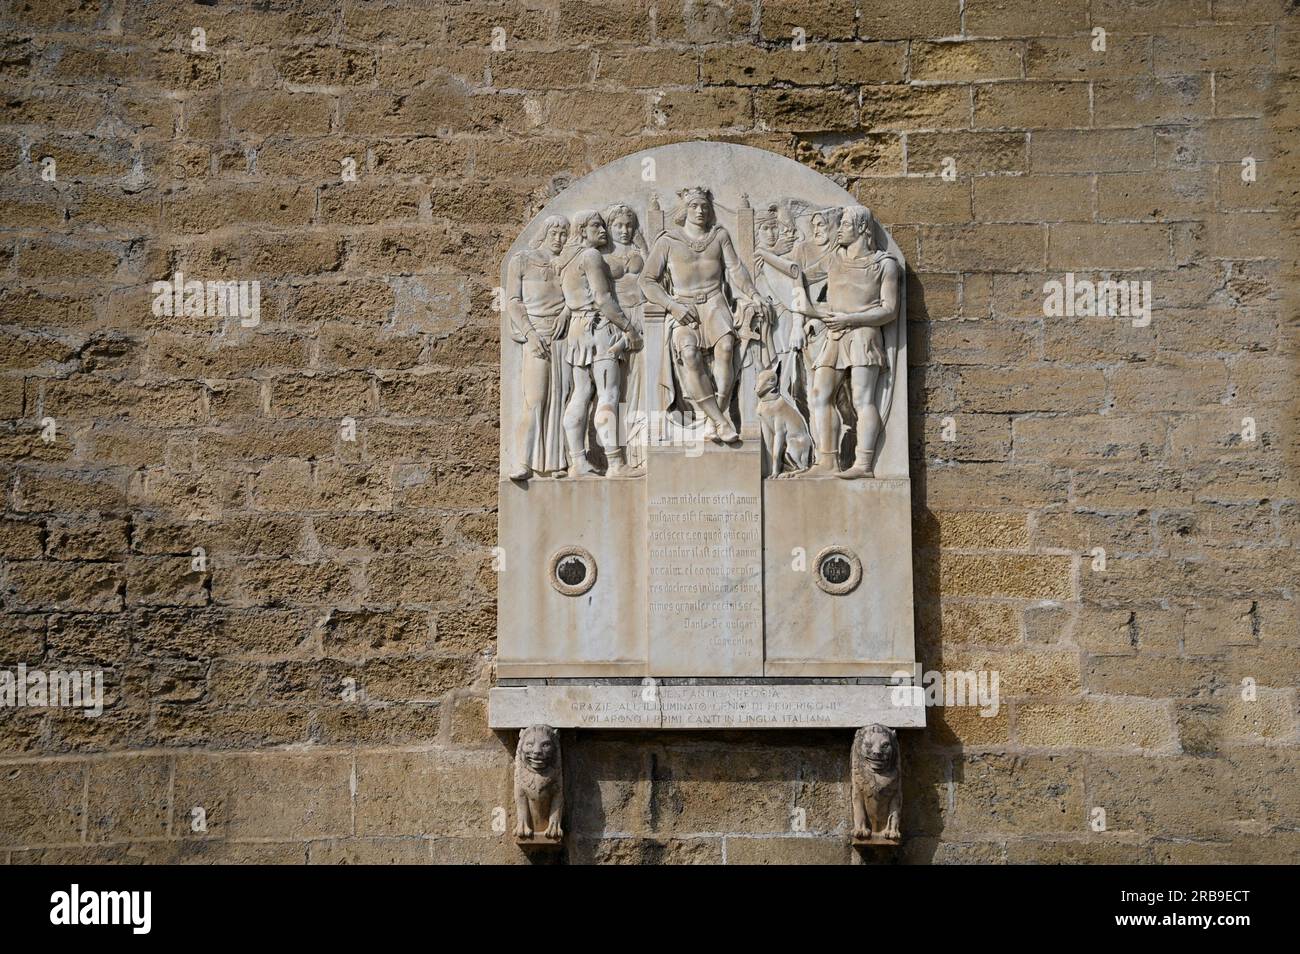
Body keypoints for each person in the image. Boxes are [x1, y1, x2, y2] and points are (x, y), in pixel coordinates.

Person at [639, 186, 761, 445]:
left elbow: (736, 269)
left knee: (726, 348)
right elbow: (647, 281)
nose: (700, 211)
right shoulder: (668, 241)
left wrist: (752, 294)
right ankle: (718, 420)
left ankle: (713, 418)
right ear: (684, 210)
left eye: (704, 206)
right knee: (689, 352)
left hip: (715, 304)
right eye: (694, 206)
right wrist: (673, 306)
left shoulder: (719, 236)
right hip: (685, 307)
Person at [804, 206, 900, 478]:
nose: (840, 229)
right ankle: (827, 461)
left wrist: (851, 319)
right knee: (819, 395)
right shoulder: (834, 258)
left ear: (861, 228)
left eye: (845, 224)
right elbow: (800, 274)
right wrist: (811, 309)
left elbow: (889, 309)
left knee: (862, 398)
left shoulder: (884, 264)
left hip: (862, 334)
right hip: (834, 334)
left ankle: (864, 465)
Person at [557, 210, 642, 477]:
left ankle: (577, 461)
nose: (603, 230)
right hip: (599, 327)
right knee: (609, 394)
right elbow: (602, 298)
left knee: (580, 394)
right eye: (596, 226)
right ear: (582, 229)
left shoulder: (564, 259)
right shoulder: (590, 256)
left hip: (577, 330)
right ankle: (615, 463)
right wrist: (629, 328)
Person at [505, 215, 570, 481]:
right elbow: (512, 302)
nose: (559, 239)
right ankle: (523, 461)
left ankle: (559, 461)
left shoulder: (565, 264)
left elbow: (580, 294)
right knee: (536, 400)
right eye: (555, 233)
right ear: (544, 233)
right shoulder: (521, 261)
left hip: (562, 335)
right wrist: (530, 334)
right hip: (535, 334)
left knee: (562, 399)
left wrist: (567, 312)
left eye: (564, 234)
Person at [600, 202, 649, 472]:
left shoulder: (639, 251)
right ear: (609, 227)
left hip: (644, 318)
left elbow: (657, 274)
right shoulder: (601, 256)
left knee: (642, 389)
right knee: (617, 392)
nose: (624, 230)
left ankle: (641, 454)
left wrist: (643, 244)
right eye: (618, 225)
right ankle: (616, 456)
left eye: (629, 225)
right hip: (616, 322)